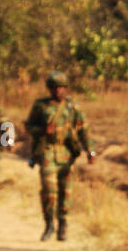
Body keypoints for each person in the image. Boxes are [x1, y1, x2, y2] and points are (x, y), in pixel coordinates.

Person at [24, 71, 95, 241]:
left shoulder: (72, 108)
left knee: (66, 192)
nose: (58, 91)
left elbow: (84, 130)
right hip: (47, 151)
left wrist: (90, 150)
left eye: (62, 88)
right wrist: (42, 131)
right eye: (55, 88)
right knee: (49, 190)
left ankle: (63, 224)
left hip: (67, 153)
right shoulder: (40, 106)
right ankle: (49, 224)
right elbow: (29, 127)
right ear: (50, 89)